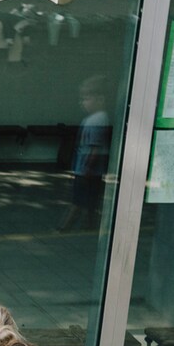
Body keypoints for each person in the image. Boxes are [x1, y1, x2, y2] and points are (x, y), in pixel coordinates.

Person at [60, 76, 113, 232]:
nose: (82, 102)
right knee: (89, 199)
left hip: (87, 169)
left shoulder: (98, 119)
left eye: (86, 98)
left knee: (78, 200)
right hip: (86, 168)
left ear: (100, 99)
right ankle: (89, 225)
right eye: (82, 98)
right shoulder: (95, 118)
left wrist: (86, 168)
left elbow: (94, 149)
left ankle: (64, 227)